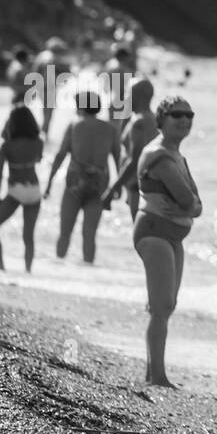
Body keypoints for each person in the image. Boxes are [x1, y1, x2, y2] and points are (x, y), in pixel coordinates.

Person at [133, 96, 203, 387]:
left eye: (189, 114)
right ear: (161, 120)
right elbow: (189, 199)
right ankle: (157, 376)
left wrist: (192, 207)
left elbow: (198, 206)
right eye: (177, 115)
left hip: (172, 235)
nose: (184, 120)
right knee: (161, 306)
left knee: (167, 305)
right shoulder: (160, 154)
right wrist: (192, 206)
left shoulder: (176, 154)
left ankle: (155, 371)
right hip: (154, 232)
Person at [45, 89, 121, 263]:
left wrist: (49, 184)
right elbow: (118, 159)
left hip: (75, 183)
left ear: (81, 107)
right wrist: (118, 187)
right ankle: (88, 271)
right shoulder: (111, 129)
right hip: (99, 184)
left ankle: (58, 267)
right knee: (89, 234)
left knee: (65, 232)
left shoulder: (74, 126)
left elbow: (60, 156)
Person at [0, 103, 43, 272]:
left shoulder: (7, 146)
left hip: (16, 190)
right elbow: (38, 159)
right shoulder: (38, 142)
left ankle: (1, 268)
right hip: (34, 190)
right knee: (28, 237)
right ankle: (28, 272)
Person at [101, 77, 158, 219]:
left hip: (136, 187)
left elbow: (135, 160)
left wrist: (113, 189)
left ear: (138, 97)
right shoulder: (154, 119)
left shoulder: (138, 122)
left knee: (141, 235)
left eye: (128, 93)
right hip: (146, 186)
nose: (125, 98)